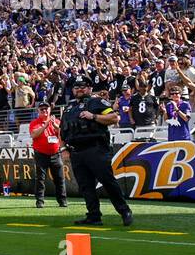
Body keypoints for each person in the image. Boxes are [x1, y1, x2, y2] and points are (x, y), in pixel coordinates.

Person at [61, 73, 133, 227]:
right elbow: (62, 131)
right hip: (76, 152)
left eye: (82, 86)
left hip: (96, 148)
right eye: (76, 87)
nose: (79, 89)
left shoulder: (97, 102)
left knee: (107, 181)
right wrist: (63, 149)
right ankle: (94, 216)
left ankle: (124, 210)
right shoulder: (69, 107)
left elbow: (114, 118)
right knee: (85, 186)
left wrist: (93, 116)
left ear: (89, 88)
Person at [28, 102, 67, 208]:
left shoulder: (57, 121)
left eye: (46, 108)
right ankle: (40, 201)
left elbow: (64, 133)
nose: (44, 110)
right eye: (42, 109)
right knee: (40, 179)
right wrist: (45, 126)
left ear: (50, 110)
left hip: (55, 154)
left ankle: (62, 201)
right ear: (38, 111)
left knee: (59, 179)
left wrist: (55, 126)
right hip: (41, 154)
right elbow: (34, 134)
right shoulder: (34, 123)